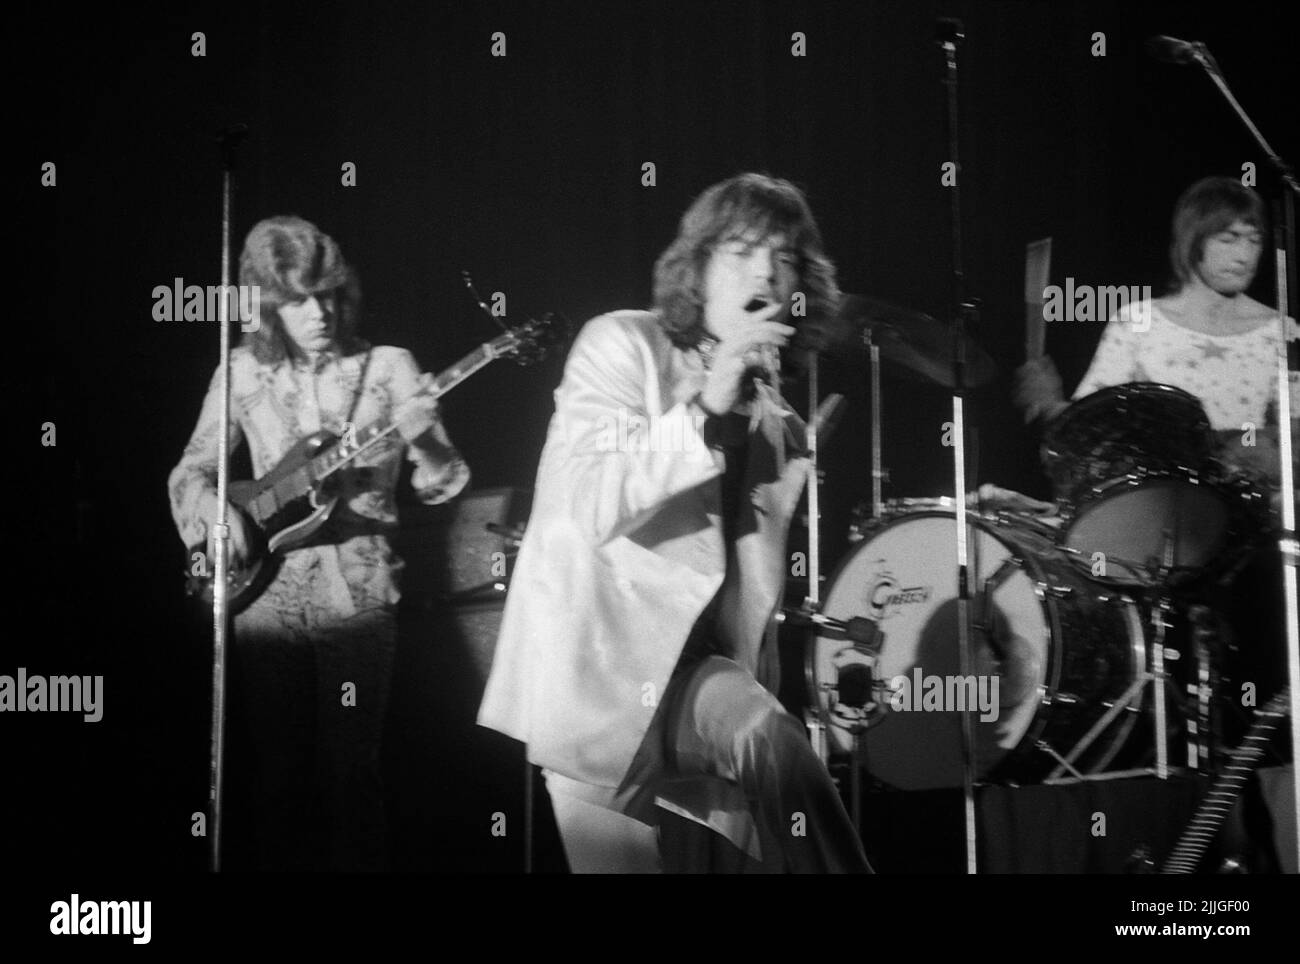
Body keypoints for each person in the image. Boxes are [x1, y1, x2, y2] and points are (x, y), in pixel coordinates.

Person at [478, 173, 871, 873]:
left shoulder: (775, 418)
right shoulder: (619, 345)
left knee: (771, 740)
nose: (764, 270)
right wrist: (701, 411)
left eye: (783, 257)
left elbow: (748, 595)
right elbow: (592, 501)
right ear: (696, 268)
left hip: (692, 678)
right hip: (593, 676)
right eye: (740, 250)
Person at [168, 216, 470, 871]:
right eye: (300, 299)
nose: (321, 311)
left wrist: (425, 439)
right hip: (262, 604)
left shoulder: (388, 368)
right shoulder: (241, 371)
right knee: (275, 780)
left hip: (356, 600)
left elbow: (445, 482)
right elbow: (190, 472)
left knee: (350, 775)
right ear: (268, 303)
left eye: (330, 293)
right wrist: (218, 513)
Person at [1016, 176, 1296, 492]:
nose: (1244, 256)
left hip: (1246, 508)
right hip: (1157, 502)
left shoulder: (1280, 332)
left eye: (1254, 240)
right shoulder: (1138, 321)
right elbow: (1092, 428)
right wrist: (1049, 404)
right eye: (1229, 239)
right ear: (1193, 239)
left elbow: (1295, 435)